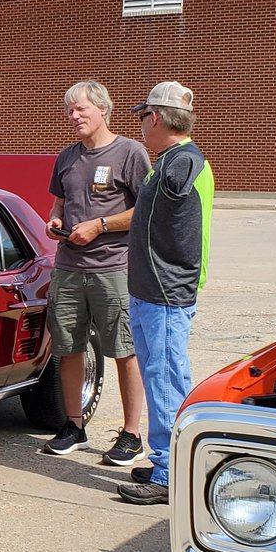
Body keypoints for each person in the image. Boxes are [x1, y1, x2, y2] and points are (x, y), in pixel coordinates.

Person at [40, 80, 149, 464]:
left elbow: (144, 211)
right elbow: (59, 203)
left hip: (113, 269)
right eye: (69, 110)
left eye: (81, 109)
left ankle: (132, 435)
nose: (73, 116)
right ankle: (74, 427)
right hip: (68, 268)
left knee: (124, 350)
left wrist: (100, 226)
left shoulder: (130, 153)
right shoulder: (67, 156)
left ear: (103, 109)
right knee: (68, 347)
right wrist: (55, 221)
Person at [117, 81, 214, 505]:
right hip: (151, 290)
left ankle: (173, 475)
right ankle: (165, 462)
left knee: (167, 381)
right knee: (160, 379)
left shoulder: (184, 162)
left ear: (155, 117)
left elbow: (184, 230)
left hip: (166, 294)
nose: (140, 125)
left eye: (143, 117)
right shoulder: (172, 161)